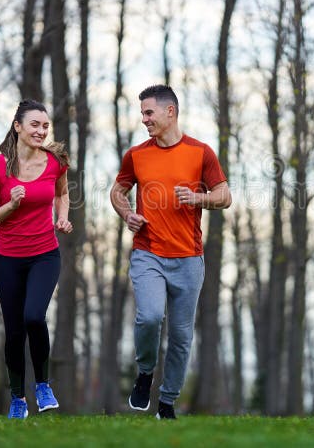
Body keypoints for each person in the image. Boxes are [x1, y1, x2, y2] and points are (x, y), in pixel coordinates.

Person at [110, 85, 232, 420]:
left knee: (180, 336)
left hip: (189, 259)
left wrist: (199, 199)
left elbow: (225, 195)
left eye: (149, 112)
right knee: (149, 317)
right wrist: (126, 214)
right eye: (142, 113)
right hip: (148, 252)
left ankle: (167, 401)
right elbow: (117, 191)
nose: (144, 118)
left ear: (170, 112)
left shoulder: (201, 152)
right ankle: (145, 372)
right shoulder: (136, 155)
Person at [0, 99, 72, 419]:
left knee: (34, 316)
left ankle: (43, 386)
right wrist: (11, 206)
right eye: (34, 124)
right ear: (18, 126)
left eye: (45, 125)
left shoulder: (55, 161)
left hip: (45, 254)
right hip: (8, 259)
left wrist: (62, 217)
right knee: (15, 331)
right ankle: (18, 398)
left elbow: (62, 194)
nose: (41, 130)